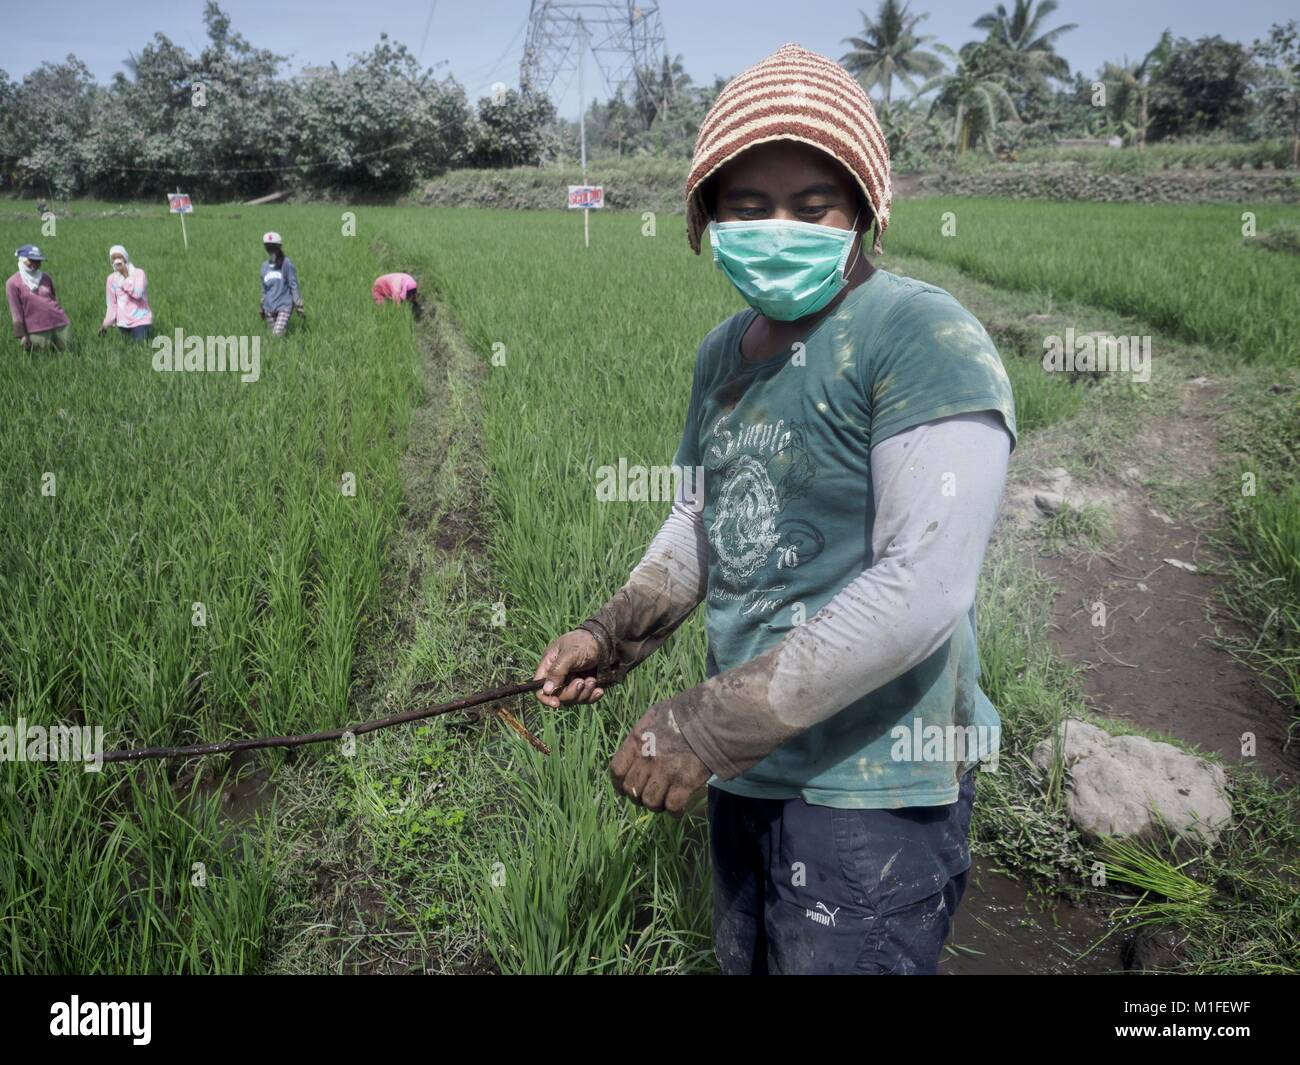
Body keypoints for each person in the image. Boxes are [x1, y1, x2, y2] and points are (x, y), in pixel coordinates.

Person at [532, 44, 1017, 975]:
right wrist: (615, 633)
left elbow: (924, 585)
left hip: (874, 784)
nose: (778, 226)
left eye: (812, 204)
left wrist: (704, 726)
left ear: (864, 212)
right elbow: (705, 517)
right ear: (708, 216)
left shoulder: (921, 335)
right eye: (748, 206)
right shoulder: (725, 352)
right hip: (751, 765)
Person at [6, 244, 71, 351]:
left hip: (61, 324)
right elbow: (15, 311)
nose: (35, 264)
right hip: (36, 330)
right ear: (22, 259)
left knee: (68, 355)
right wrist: (21, 335)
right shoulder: (13, 283)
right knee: (43, 359)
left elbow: (54, 299)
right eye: (31, 260)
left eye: (38, 261)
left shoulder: (46, 277)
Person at [97, 244, 152, 342]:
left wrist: (125, 275)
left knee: (140, 345)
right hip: (123, 322)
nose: (117, 260)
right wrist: (105, 324)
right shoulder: (111, 279)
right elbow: (111, 304)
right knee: (128, 347)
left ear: (125, 258)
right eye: (114, 258)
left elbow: (138, 294)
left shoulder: (138, 273)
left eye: (119, 257)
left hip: (140, 319)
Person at [258, 231, 304, 335]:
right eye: (268, 247)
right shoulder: (264, 266)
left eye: (273, 247)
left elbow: (293, 285)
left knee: (276, 334)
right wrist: (262, 307)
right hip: (269, 308)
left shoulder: (286, 263)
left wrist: (298, 304)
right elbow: (264, 289)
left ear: (279, 247)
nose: (271, 250)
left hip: (284, 306)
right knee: (275, 337)